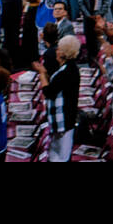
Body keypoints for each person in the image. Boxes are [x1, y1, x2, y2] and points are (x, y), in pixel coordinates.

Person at [36, 34, 82, 162]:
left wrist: (42, 74)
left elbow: (48, 91)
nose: (56, 51)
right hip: (64, 118)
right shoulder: (68, 68)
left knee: (61, 156)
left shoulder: (66, 72)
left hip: (64, 120)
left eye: (59, 48)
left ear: (64, 53)